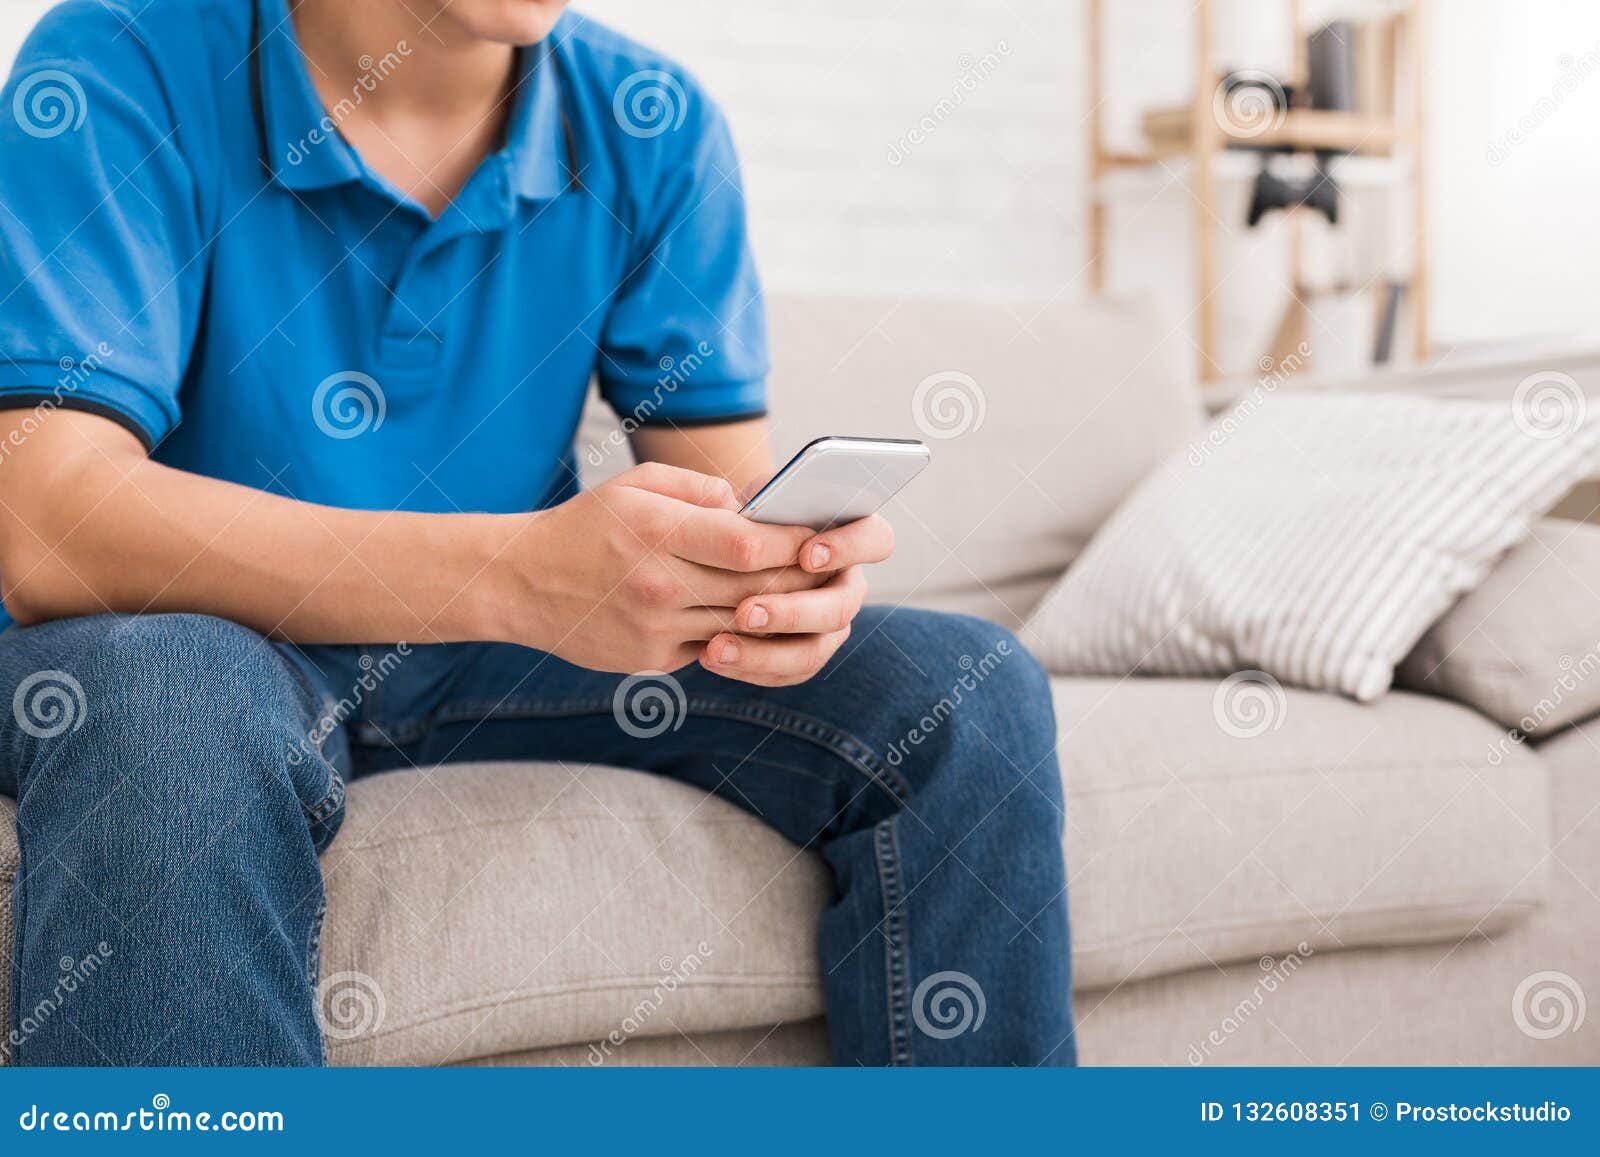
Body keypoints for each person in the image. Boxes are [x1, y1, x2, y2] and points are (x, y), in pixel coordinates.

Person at [0, 0, 1073, 1066]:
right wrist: (518, 573)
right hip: (197, 644)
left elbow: (722, 499)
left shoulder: (648, 120)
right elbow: (51, 523)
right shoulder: (118, 60)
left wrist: (775, 580)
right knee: (175, 692)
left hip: (489, 665)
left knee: (962, 684)